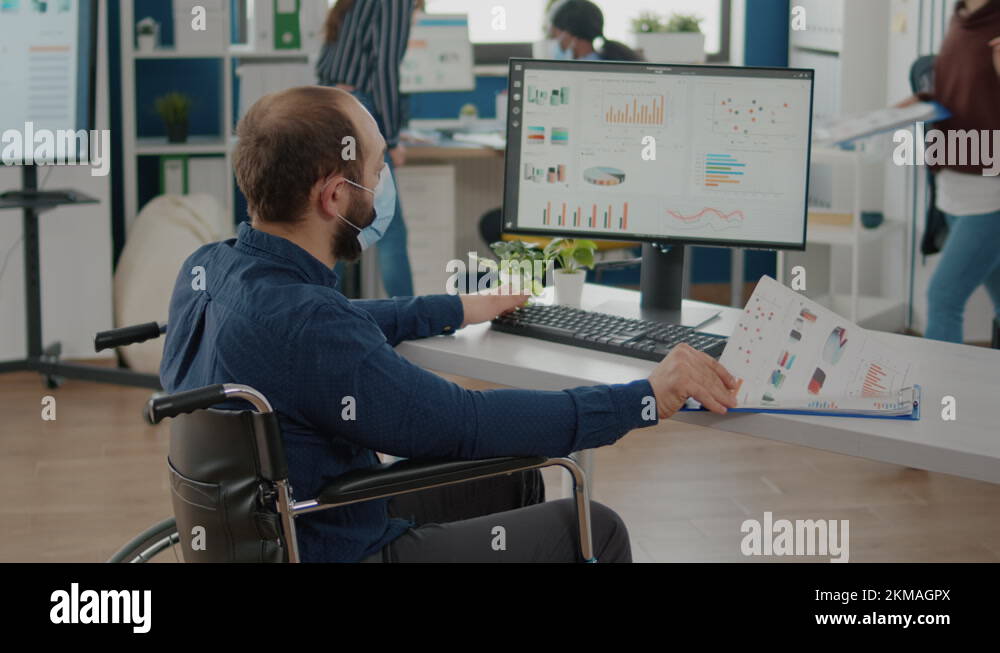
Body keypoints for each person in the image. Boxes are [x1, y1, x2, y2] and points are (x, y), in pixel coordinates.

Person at [160, 86, 739, 563]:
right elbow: (466, 422)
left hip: (273, 534)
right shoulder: (310, 327)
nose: (384, 183)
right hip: (343, 545)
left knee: (509, 482)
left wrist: (458, 307)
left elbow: (340, 323)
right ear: (336, 195)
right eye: (377, 167)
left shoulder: (209, 270)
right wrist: (641, 399)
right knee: (598, 527)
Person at [896, 0, 1000, 343]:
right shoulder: (961, 17)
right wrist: (923, 100)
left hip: (990, 196)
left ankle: (941, 395)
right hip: (955, 188)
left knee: (943, 299)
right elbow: (958, 87)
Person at [315, 0, 419, 298]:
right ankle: (410, 321)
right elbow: (385, 70)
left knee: (334, 219)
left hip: (331, 103)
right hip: (360, 107)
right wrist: (392, 138)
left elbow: (326, 62)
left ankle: (321, 309)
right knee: (390, 229)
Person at [547, 0, 643, 62]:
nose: (556, 40)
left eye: (557, 34)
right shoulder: (608, 61)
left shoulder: (582, 70)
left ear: (571, 36)